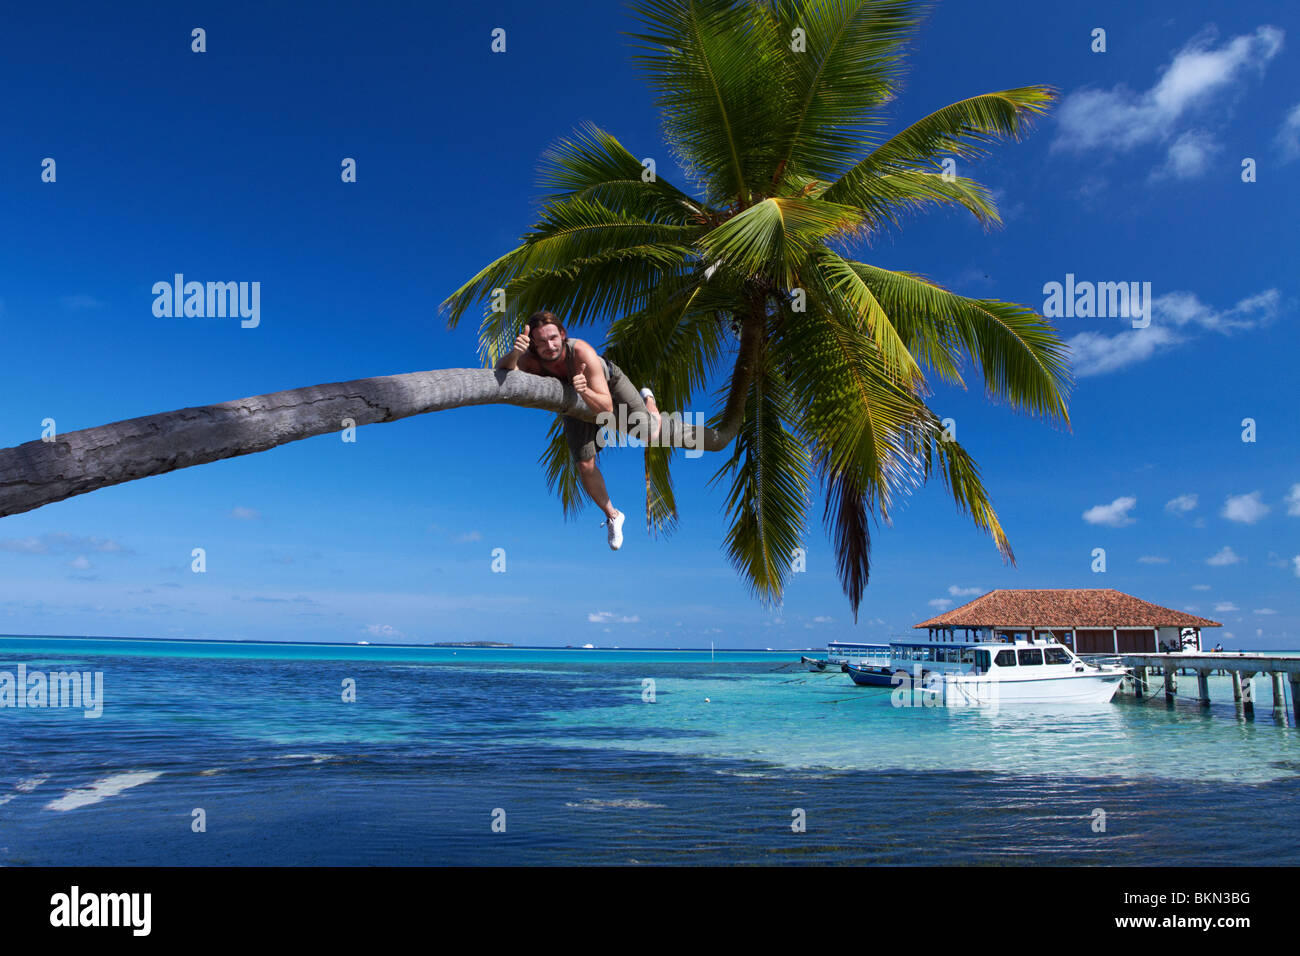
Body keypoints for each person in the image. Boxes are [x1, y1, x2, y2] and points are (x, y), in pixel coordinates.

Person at [495, 311, 661, 550]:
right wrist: (515, 353)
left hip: (609, 386)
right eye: (540, 342)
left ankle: (649, 400)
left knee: (650, 433)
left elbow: (605, 407)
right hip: (574, 400)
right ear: (533, 343)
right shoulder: (530, 358)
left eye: (553, 338)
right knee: (585, 464)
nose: (549, 346)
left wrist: (584, 391)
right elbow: (503, 370)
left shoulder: (580, 351)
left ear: (562, 334)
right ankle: (613, 515)